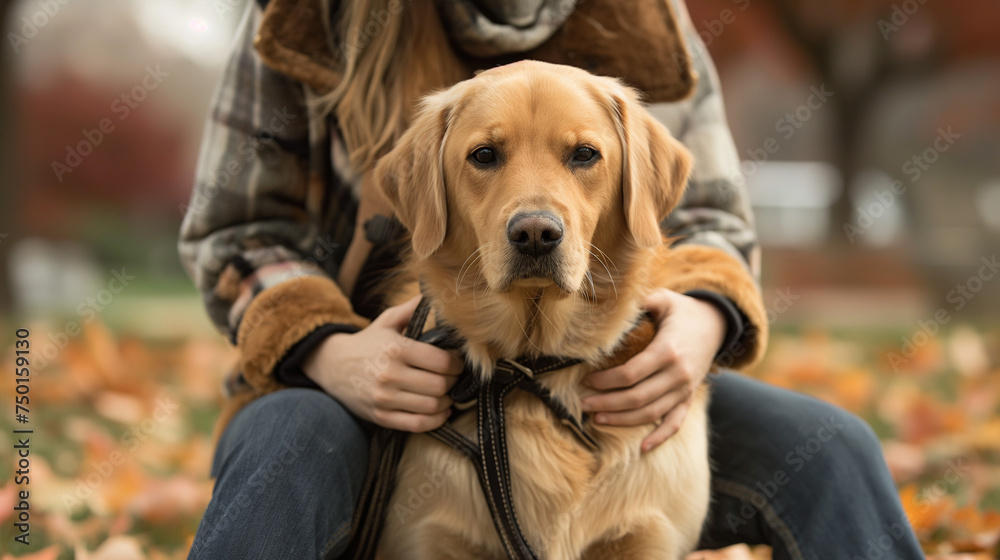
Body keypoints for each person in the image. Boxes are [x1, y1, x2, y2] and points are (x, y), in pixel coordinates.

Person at [179, 0, 925, 558]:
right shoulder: (303, 15)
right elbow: (236, 232)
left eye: (580, 157)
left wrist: (702, 316)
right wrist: (330, 351)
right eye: (486, 157)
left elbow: (711, 220)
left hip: (613, 368)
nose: (536, 220)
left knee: (830, 445)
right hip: (371, 383)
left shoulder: (644, 20)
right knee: (291, 439)